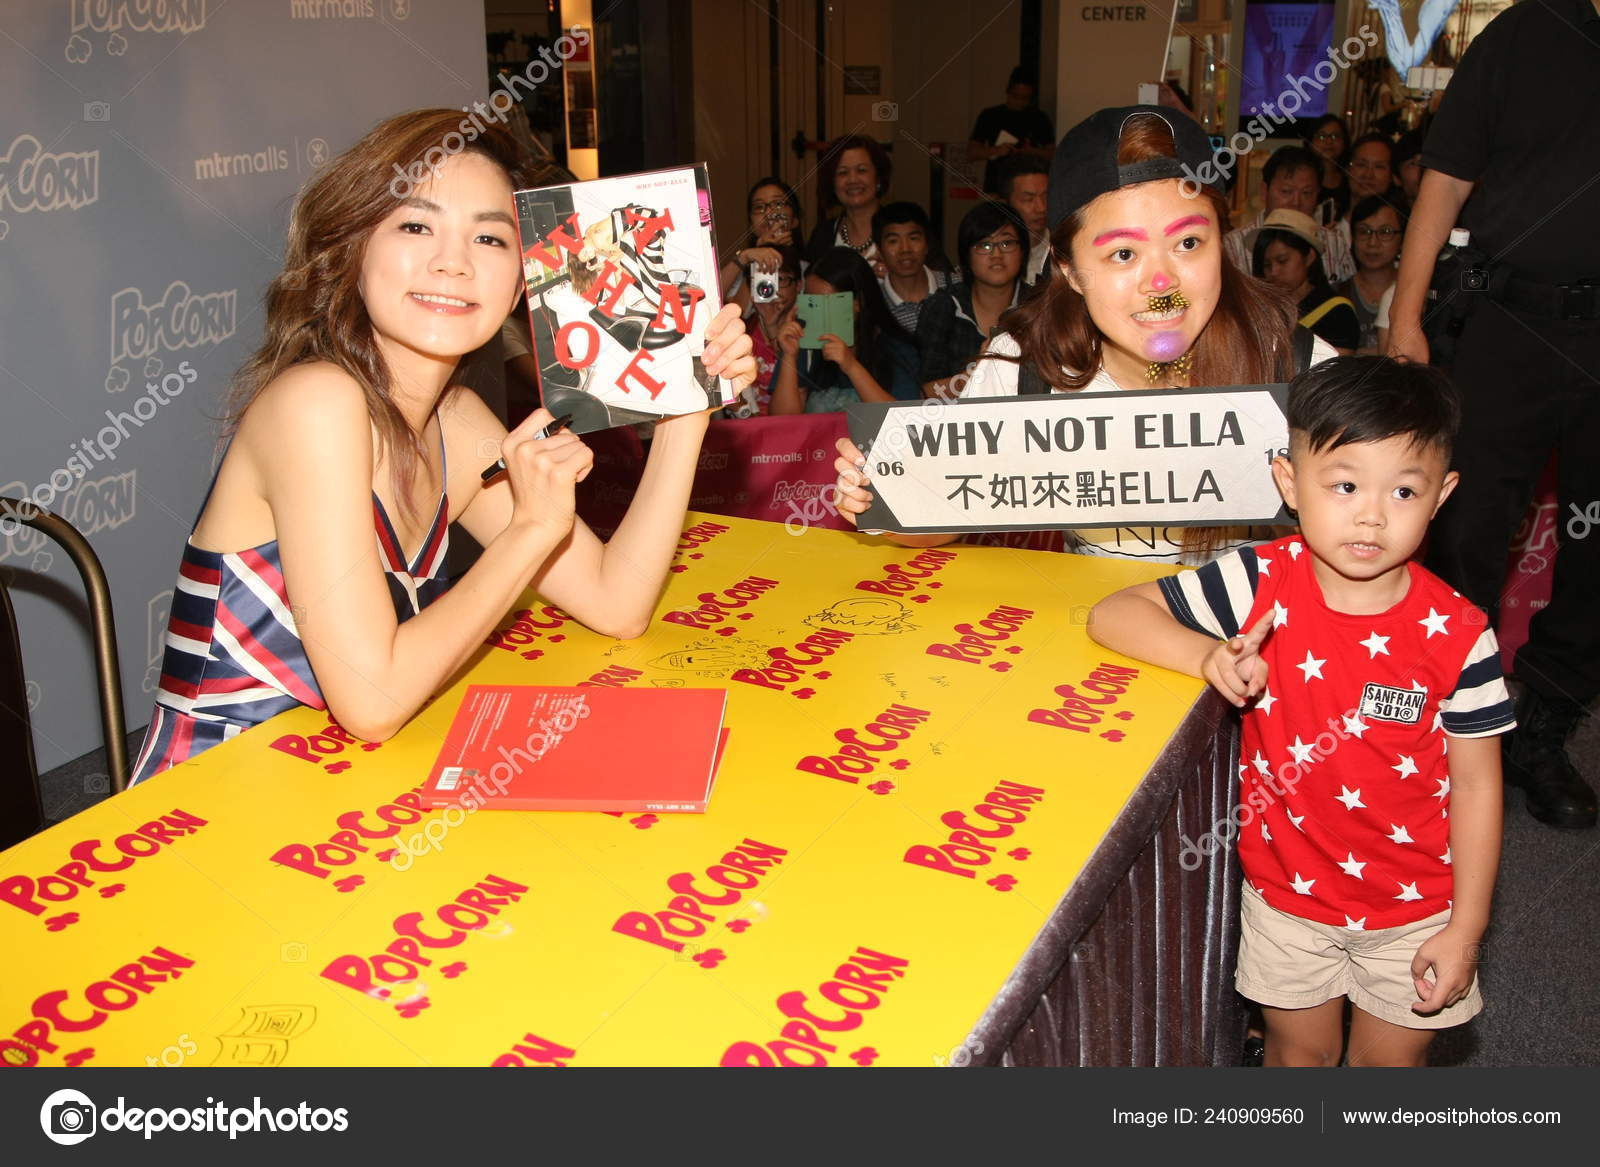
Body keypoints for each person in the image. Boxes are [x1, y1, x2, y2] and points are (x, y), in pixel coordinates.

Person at [128, 109, 755, 783]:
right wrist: (530, 528)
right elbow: (372, 701)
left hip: (338, 791)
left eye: (489, 238)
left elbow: (617, 603)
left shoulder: (455, 418)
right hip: (208, 809)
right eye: (416, 225)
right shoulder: (315, 404)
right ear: (352, 249)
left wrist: (687, 406)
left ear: (523, 280)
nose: (452, 262)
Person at [1088, 356, 1514, 1067]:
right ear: (1290, 480)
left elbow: (1477, 785)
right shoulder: (1263, 579)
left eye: (1404, 490)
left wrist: (1466, 928)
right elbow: (1114, 613)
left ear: (1442, 495)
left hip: (1416, 910)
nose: (1371, 514)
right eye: (1344, 484)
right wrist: (1206, 657)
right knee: (1296, 1057)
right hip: (1288, 898)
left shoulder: (1462, 632)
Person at [834, 105, 1337, 564]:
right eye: (1123, 254)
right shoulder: (1026, 365)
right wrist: (882, 497)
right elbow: (946, 510)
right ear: (1070, 270)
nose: (1161, 282)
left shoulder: (1297, 367)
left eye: (1188, 242)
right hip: (1097, 652)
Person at [1388, 0, 1600, 829]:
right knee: (1463, 534)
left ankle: (1540, 726)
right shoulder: (1522, 33)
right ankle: (1445, 730)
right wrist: (1405, 316)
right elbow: (1443, 183)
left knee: (1595, 557)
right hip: (1507, 328)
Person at [769, 246, 918, 414]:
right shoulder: (804, 341)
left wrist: (851, 367)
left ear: (857, 303)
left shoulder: (895, 348)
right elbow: (783, 421)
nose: (817, 312)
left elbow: (904, 419)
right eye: (811, 302)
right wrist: (789, 356)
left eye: (826, 302)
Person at [916, 202, 1026, 399]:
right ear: (966, 256)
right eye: (984, 245)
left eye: (1007, 243)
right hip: (958, 424)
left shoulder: (1040, 305)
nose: (997, 254)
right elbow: (930, 390)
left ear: (1023, 250)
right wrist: (979, 371)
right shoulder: (943, 306)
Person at [1224, 145, 1354, 284]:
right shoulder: (1233, 246)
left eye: (1306, 193)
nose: (1296, 202)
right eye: (1286, 191)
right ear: (1264, 191)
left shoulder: (1334, 244)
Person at [1251, 209, 1361, 353]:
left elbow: (1337, 371)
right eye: (1267, 265)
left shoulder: (1338, 312)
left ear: (1309, 257)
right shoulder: (1260, 310)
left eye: (1282, 261)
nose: (1273, 272)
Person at [725, 245, 802, 419]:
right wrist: (743, 257)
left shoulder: (804, 334)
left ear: (798, 285)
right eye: (765, 279)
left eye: (780, 279)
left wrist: (773, 328)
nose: (772, 288)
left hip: (785, 434)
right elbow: (705, 301)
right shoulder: (740, 330)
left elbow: (790, 417)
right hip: (743, 431)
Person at [803, 135, 891, 271]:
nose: (852, 180)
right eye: (842, 173)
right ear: (832, 183)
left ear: (878, 178)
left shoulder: (901, 230)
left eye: (861, 170)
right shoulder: (822, 235)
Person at [967, 67, 1056, 194]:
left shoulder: (1039, 118)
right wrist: (997, 150)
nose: (1019, 102)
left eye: (1024, 98)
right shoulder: (990, 115)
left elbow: (1053, 154)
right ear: (1008, 92)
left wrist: (1032, 152)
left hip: (1029, 187)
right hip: (997, 187)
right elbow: (971, 152)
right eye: (1015, 96)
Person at [719, 176, 802, 310]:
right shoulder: (740, 270)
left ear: (794, 220)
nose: (769, 212)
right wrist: (747, 257)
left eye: (778, 204)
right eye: (759, 207)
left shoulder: (808, 270)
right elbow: (714, 301)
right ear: (751, 225)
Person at [1336, 196, 1405, 352]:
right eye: (1364, 231)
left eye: (1385, 232)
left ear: (1402, 240)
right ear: (1352, 238)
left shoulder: (1414, 294)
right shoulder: (1336, 296)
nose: (1373, 242)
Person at [873, 202, 951, 333]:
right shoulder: (874, 303)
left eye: (913, 238)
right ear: (880, 251)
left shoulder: (956, 287)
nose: (905, 249)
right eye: (893, 241)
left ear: (927, 245)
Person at [995, 154, 1051, 285]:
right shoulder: (993, 254)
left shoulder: (1062, 246)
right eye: (1028, 199)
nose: (1041, 207)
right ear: (1004, 204)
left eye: (1046, 196)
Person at [1306, 114, 1351, 220]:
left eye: (1335, 136)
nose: (1329, 142)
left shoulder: (1351, 182)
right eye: (1321, 137)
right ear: (1310, 142)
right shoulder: (1302, 180)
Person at [1344, 133, 1399, 214]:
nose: (1368, 175)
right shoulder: (1323, 218)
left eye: (1379, 167)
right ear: (1348, 169)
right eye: (1361, 165)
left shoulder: (1404, 223)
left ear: (1392, 176)